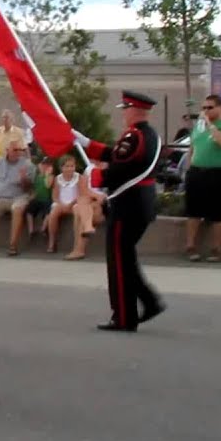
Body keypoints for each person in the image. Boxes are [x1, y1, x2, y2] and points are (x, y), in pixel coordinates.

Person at [74, 91, 167, 332]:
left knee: (118, 262)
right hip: (140, 203)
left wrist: (97, 176)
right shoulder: (149, 135)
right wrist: (85, 143)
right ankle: (150, 301)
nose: (123, 113)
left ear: (134, 110)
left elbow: (120, 169)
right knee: (126, 258)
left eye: (125, 109)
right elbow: (116, 154)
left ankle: (125, 317)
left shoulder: (135, 136)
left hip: (128, 205)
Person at [183, 95, 221, 262]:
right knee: (193, 211)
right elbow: (193, 146)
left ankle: (216, 248)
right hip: (196, 171)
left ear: (220, 108)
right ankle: (190, 246)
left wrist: (211, 125)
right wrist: (188, 168)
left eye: (210, 107)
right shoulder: (199, 124)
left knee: (216, 212)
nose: (205, 111)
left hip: (216, 172)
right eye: (204, 107)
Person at [43, 156, 101, 260]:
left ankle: (78, 247)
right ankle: (52, 242)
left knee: (78, 208)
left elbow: (82, 194)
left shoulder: (79, 177)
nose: (70, 168)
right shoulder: (58, 179)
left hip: (75, 202)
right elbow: (55, 196)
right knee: (53, 212)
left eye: (72, 166)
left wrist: (71, 204)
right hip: (63, 203)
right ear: (61, 168)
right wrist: (60, 203)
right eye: (67, 166)